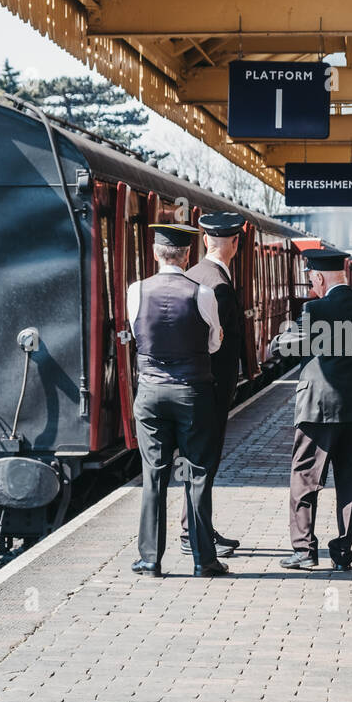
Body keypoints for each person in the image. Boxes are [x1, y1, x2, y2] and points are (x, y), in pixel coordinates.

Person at [275, 247, 352, 572]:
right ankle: (342, 550)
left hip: (318, 409)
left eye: (312, 280)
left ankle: (304, 551)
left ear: (320, 278)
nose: (312, 286)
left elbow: (289, 348)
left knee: (305, 477)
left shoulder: (314, 310)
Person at [126, 222, 228, 578]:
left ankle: (150, 559)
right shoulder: (202, 293)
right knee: (197, 474)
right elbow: (214, 343)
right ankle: (204, 560)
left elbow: (137, 334)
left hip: (151, 393)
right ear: (187, 256)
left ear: (156, 254)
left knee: (153, 475)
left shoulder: (136, 290)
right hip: (192, 392)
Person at [178, 212, 246, 559]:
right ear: (235, 242)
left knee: (198, 462)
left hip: (193, 386)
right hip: (211, 389)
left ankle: (198, 526)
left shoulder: (192, 275)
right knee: (205, 463)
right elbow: (217, 345)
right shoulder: (218, 284)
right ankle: (193, 532)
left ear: (206, 240)